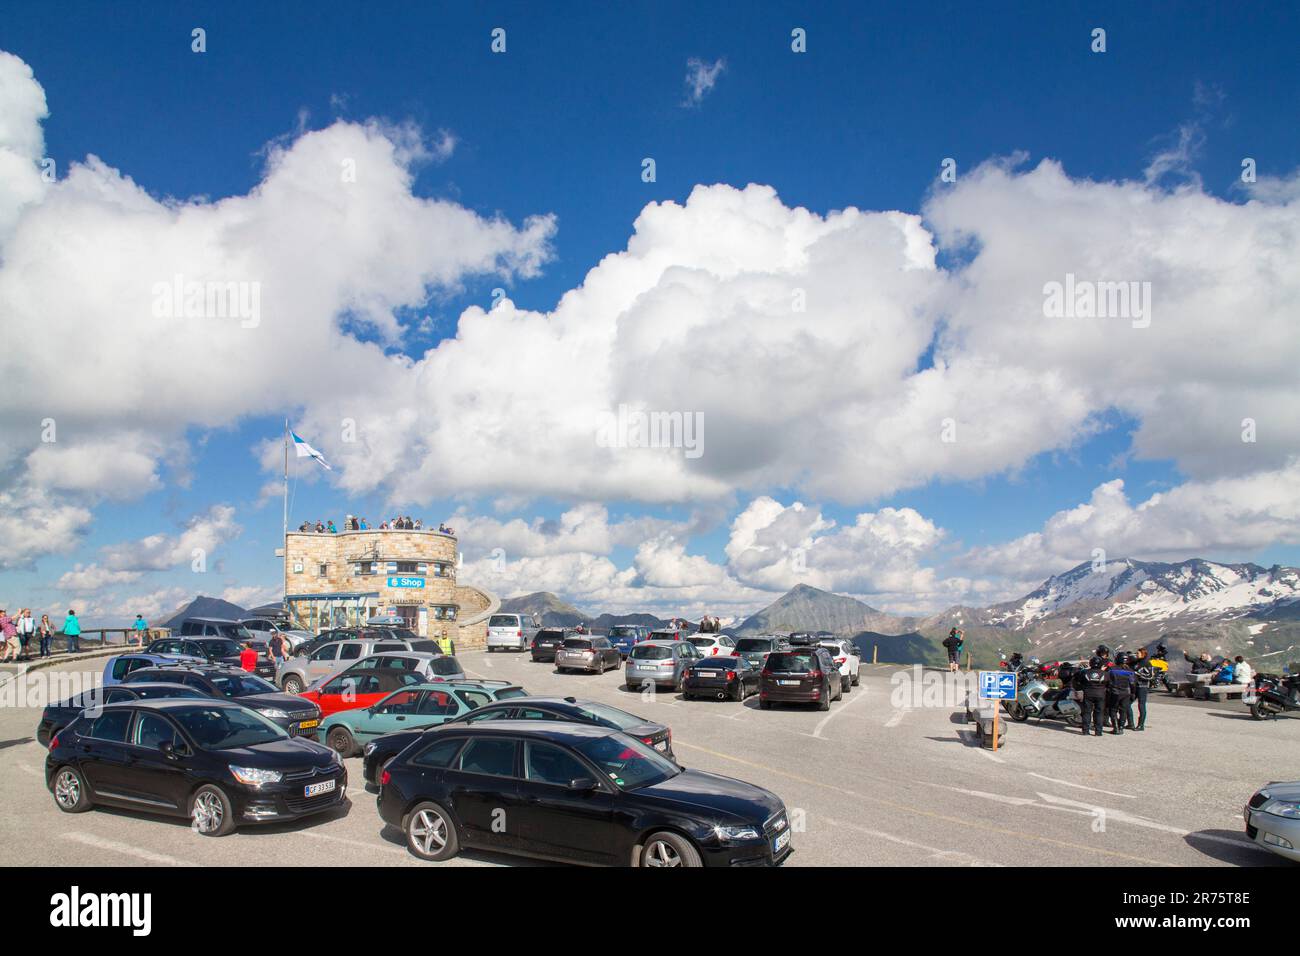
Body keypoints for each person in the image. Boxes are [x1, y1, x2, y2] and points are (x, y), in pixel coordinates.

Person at [1073, 656, 1110, 736]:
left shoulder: (1085, 672)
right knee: (1099, 713)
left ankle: (1085, 731)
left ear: (1091, 663)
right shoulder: (1105, 673)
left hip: (1088, 693)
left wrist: (1081, 689)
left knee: (1087, 712)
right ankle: (1098, 732)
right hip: (1100, 694)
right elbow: (1109, 684)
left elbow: (1078, 682)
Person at [1107, 652, 1137, 735]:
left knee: (1113, 710)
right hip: (1126, 692)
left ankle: (1116, 728)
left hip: (1115, 692)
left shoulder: (1112, 669)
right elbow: (1133, 683)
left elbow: (1107, 680)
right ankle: (1121, 727)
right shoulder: (1130, 671)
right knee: (1123, 710)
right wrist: (1133, 693)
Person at [1131, 648, 1154, 730]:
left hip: (1142, 687)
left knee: (1141, 705)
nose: (1136, 655)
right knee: (1127, 704)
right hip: (1134, 686)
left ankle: (1141, 725)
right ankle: (1130, 723)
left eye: (1138, 653)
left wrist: (1138, 674)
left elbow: (1150, 676)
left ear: (1143, 654)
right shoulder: (1136, 662)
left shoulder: (1147, 663)